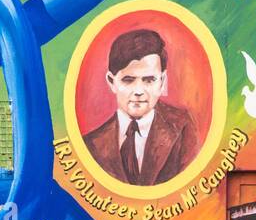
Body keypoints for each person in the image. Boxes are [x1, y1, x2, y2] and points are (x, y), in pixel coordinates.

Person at [82, 28, 200, 186]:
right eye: (128, 80)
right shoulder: (92, 144)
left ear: (162, 82)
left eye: (149, 80)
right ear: (112, 82)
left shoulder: (182, 127)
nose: (138, 91)